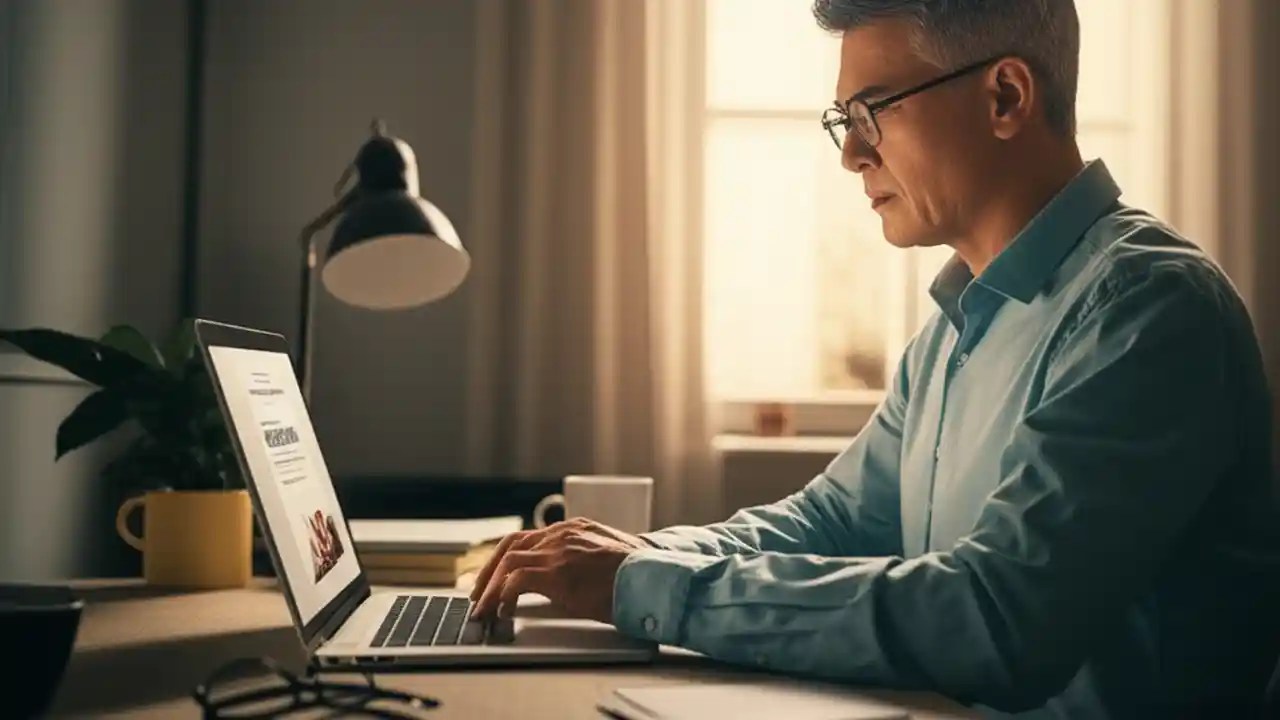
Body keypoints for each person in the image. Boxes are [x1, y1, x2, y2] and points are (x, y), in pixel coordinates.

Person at [470, 0, 1280, 716]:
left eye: (873, 110)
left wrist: (641, 588)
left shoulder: (1148, 313)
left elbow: (995, 620)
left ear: (1006, 96)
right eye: (843, 120)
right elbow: (836, 521)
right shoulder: (960, 324)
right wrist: (639, 556)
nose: (852, 154)